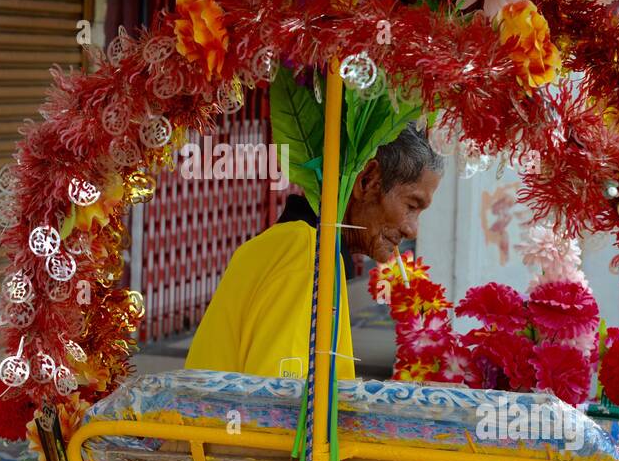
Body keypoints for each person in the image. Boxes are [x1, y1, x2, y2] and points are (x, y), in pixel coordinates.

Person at [185, 124, 443, 379]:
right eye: (411, 205)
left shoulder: (293, 244)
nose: (412, 230)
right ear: (368, 181)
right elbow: (278, 404)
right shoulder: (307, 254)